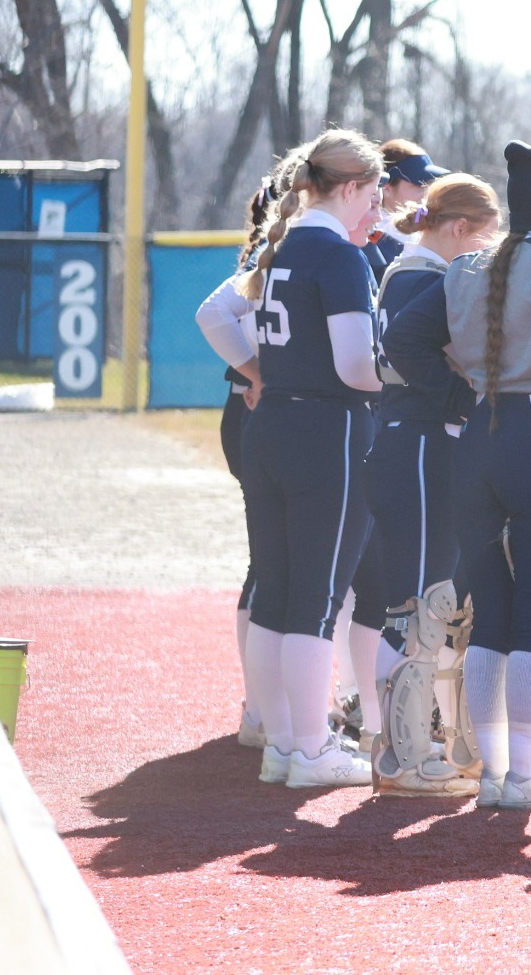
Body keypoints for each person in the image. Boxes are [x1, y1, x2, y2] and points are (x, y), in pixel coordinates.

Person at [383, 141, 531, 810]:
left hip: (477, 439)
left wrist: (461, 398)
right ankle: (525, 776)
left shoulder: (466, 266)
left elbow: (403, 339)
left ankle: (490, 773)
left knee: (489, 614)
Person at [236, 130, 385, 790]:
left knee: (275, 592)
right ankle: (311, 750)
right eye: (373, 193)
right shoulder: (338, 255)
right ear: (349, 187)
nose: (376, 207)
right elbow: (356, 366)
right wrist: (413, 375)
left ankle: (284, 746)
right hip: (327, 433)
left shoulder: (282, 244)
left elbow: (225, 320)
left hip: (270, 426)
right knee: (317, 601)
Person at [365, 173, 502, 794]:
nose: (484, 252)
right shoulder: (423, 275)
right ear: (459, 227)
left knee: (436, 605)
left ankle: (433, 745)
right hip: (417, 441)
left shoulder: (412, 269)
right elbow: (407, 348)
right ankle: (403, 755)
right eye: (483, 239)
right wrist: (460, 400)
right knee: (416, 608)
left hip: (415, 440)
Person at [194, 171, 286, 750]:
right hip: (260, 413)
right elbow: (211, 313)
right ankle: (261, 709)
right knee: (272, 562)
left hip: (264, 413)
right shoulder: (272, 256)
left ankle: (272, 707)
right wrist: (258, 373)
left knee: (281, 561)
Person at [366, 140, 449, 277]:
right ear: (387, 187)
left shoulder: (427, 234)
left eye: (430, 185)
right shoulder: (369, 240)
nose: (428, 193)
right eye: (419, 185)